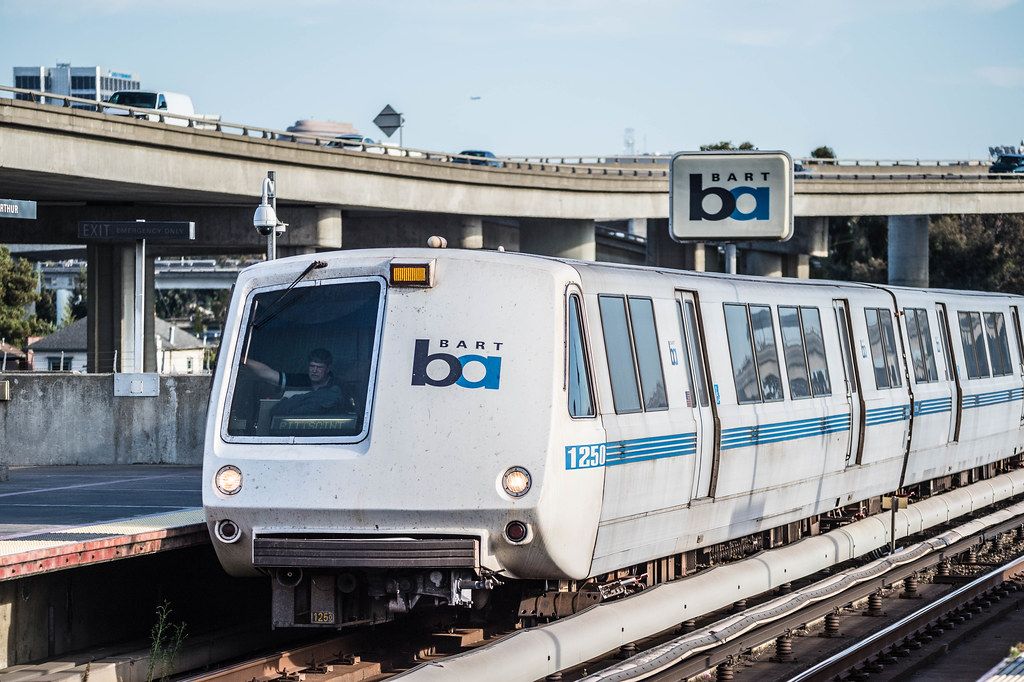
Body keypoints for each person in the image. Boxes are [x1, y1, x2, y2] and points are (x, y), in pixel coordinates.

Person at [245, 348, 357, 419]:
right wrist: (242, 359)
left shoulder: (340, 387)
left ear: (328, 369)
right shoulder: (300, 380)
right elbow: (267, 373)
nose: (314, 370)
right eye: (312, 366)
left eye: (319, 367)